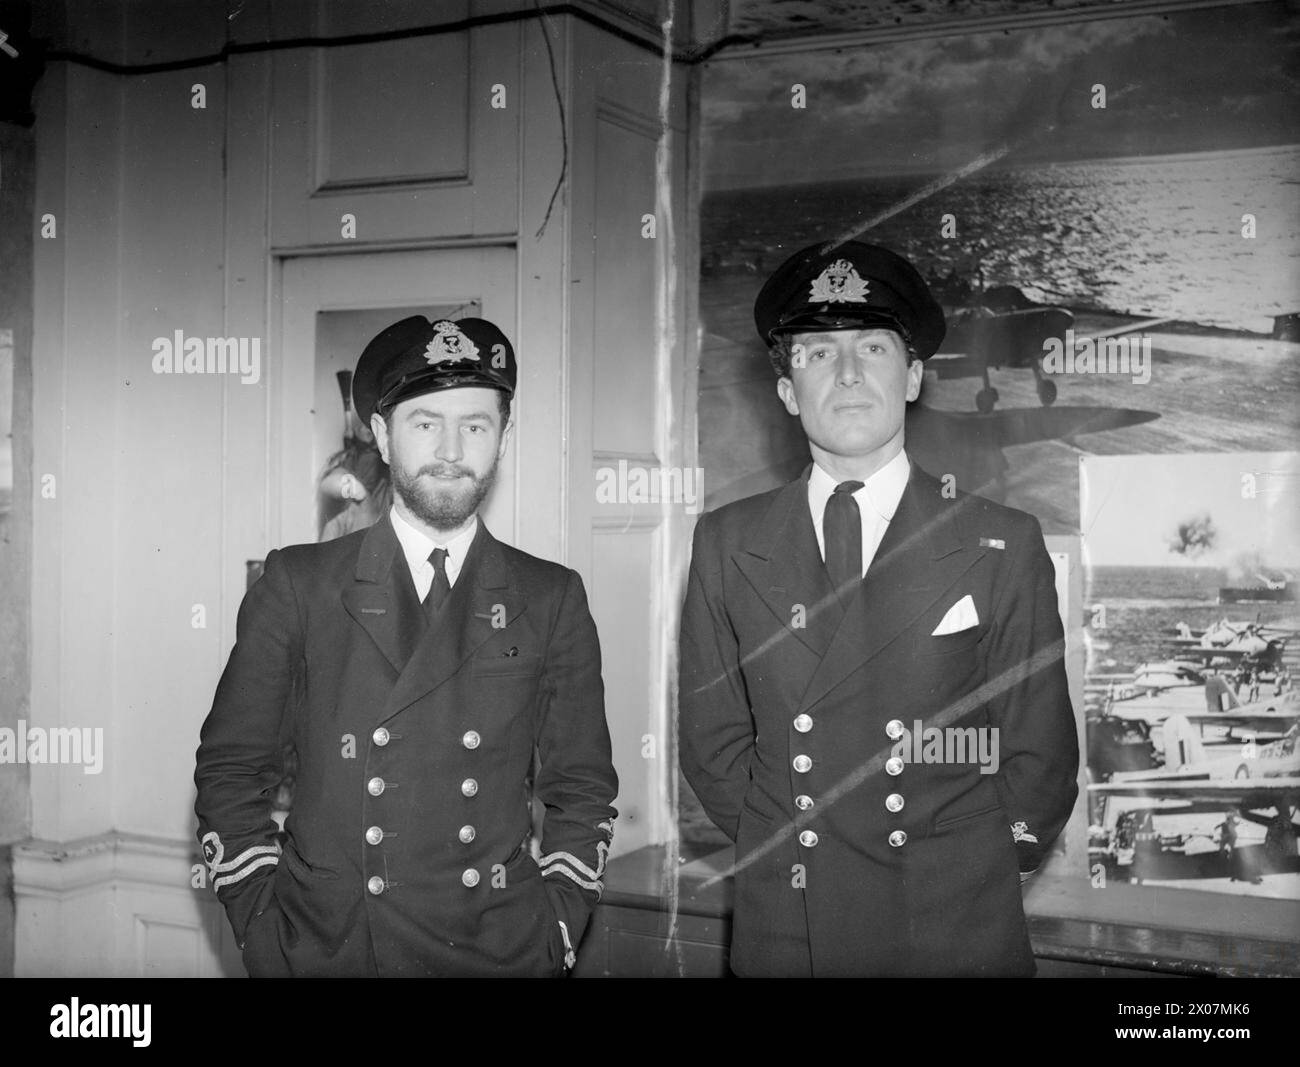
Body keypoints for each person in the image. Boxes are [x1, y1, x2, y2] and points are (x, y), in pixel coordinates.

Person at [678, 241, 1079, 977]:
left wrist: (963, 870)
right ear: (788, 390)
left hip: (950, 931)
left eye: (872, 347)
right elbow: (714, 745)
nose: (850, 373)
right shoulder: (726, 542)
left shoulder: (1001, 541)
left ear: (915, 377)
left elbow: (1040, 760)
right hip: (789, 932)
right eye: (819, 353)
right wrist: (789, 851)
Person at [195, 315, 618, 977]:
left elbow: (582, 789)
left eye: (475, 424)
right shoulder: (301, 584)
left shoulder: (549, 596)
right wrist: (265, 933)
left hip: (497, 954)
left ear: (504, 437)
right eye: (426, 422)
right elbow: (230, 773)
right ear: (384, 435)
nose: (452, 449)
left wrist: (556, 928)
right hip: (335, 952)